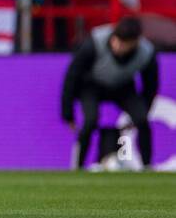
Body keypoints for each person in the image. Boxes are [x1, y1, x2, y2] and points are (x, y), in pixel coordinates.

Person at [61, 17, 159, 169]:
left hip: (123, 87)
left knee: (142, 120)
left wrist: (144, 109)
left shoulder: (146, 52)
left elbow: (151, 86)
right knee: (90, 121)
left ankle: (147, 165)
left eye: (123, 44)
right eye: (116, 41)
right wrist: (67, 112)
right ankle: (77, 165)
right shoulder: (95, 42)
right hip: (92, 85)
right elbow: (72, 75)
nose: (117, 46)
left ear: (135, 42)